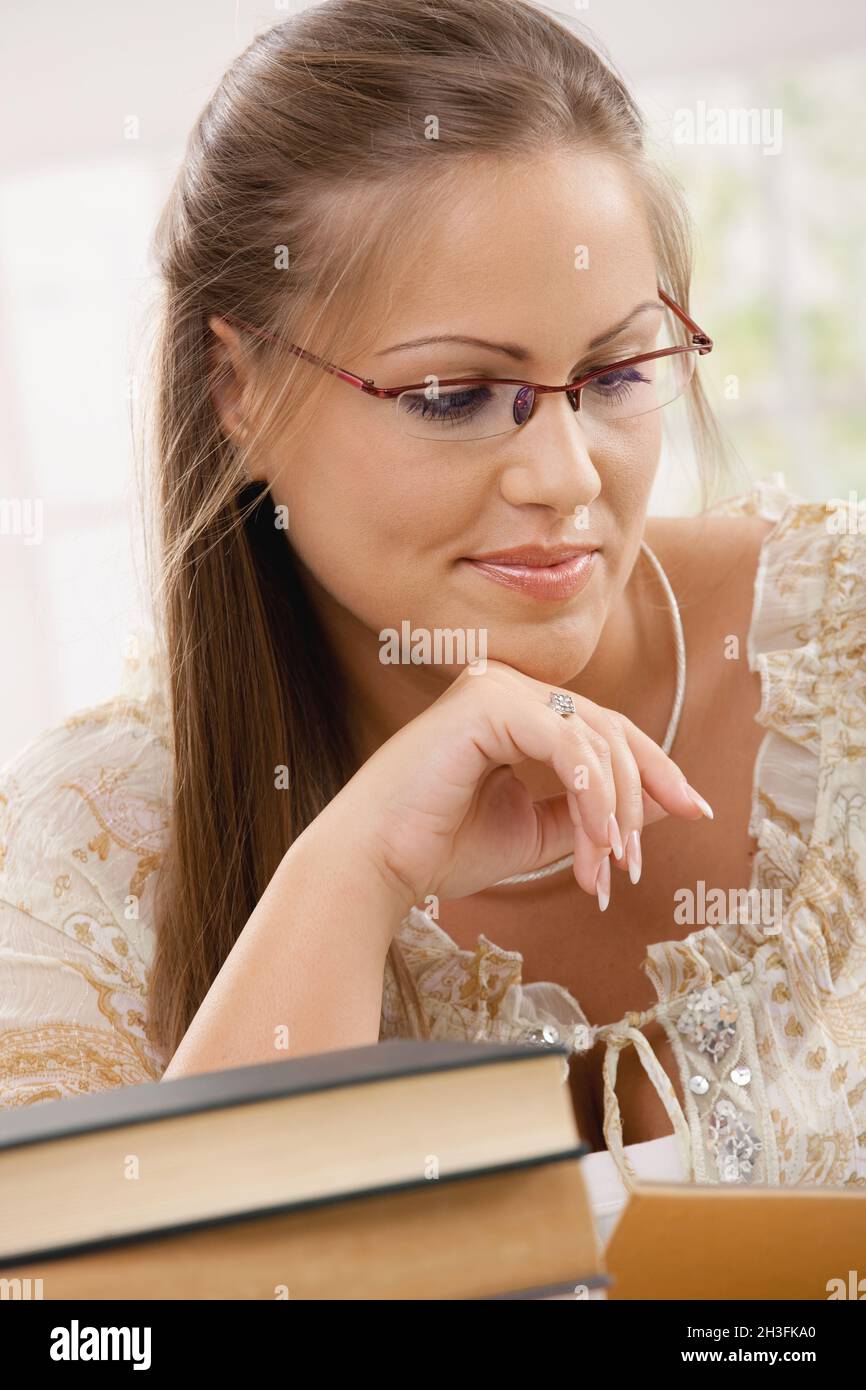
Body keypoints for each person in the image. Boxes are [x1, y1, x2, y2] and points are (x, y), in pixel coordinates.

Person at [2, 0, 864, 1248]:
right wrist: (349, 874)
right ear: (236, 387)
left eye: (615, 376)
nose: (566, 475)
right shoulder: (87, 854)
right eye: (456, 394)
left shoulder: (837, 651)